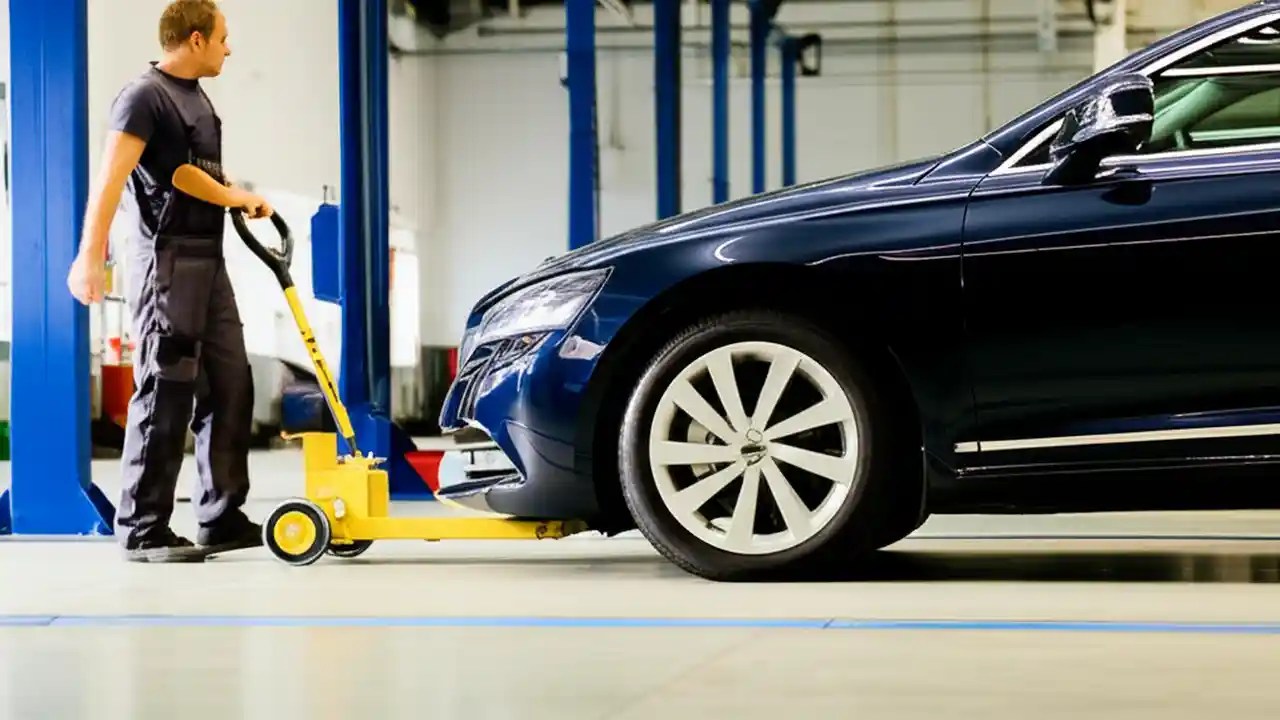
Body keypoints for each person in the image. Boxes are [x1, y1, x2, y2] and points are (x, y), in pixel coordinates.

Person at [66, 0, 272, 562]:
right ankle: (142, 526)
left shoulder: (198, 98)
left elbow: (198, 170)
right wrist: (90, 256)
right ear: (197, 38)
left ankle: (221, 515)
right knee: (167, 387)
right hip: (168, 261)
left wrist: (231, 190)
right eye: (225, 38)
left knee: (232, 383)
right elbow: (116, 181)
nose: (230, 49)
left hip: (210, 258)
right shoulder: (143, 97)